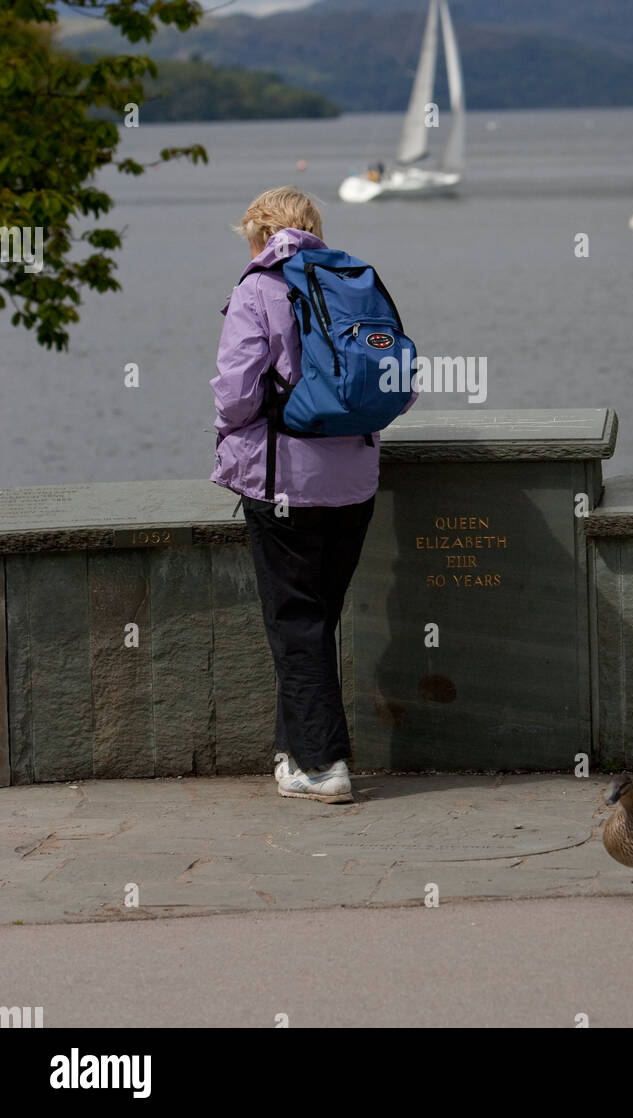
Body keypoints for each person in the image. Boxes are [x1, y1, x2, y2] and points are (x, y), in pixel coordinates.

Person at [209, 186, 414, 804]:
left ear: (258, 234)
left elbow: (235, 393)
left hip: (284, 485)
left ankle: (324, 767)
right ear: (312, 228)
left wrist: (229, 432)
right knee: (315, 620)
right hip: (354, 483)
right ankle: (295, 753)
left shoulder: (258, 288)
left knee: (296, 621)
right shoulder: (350, 278)